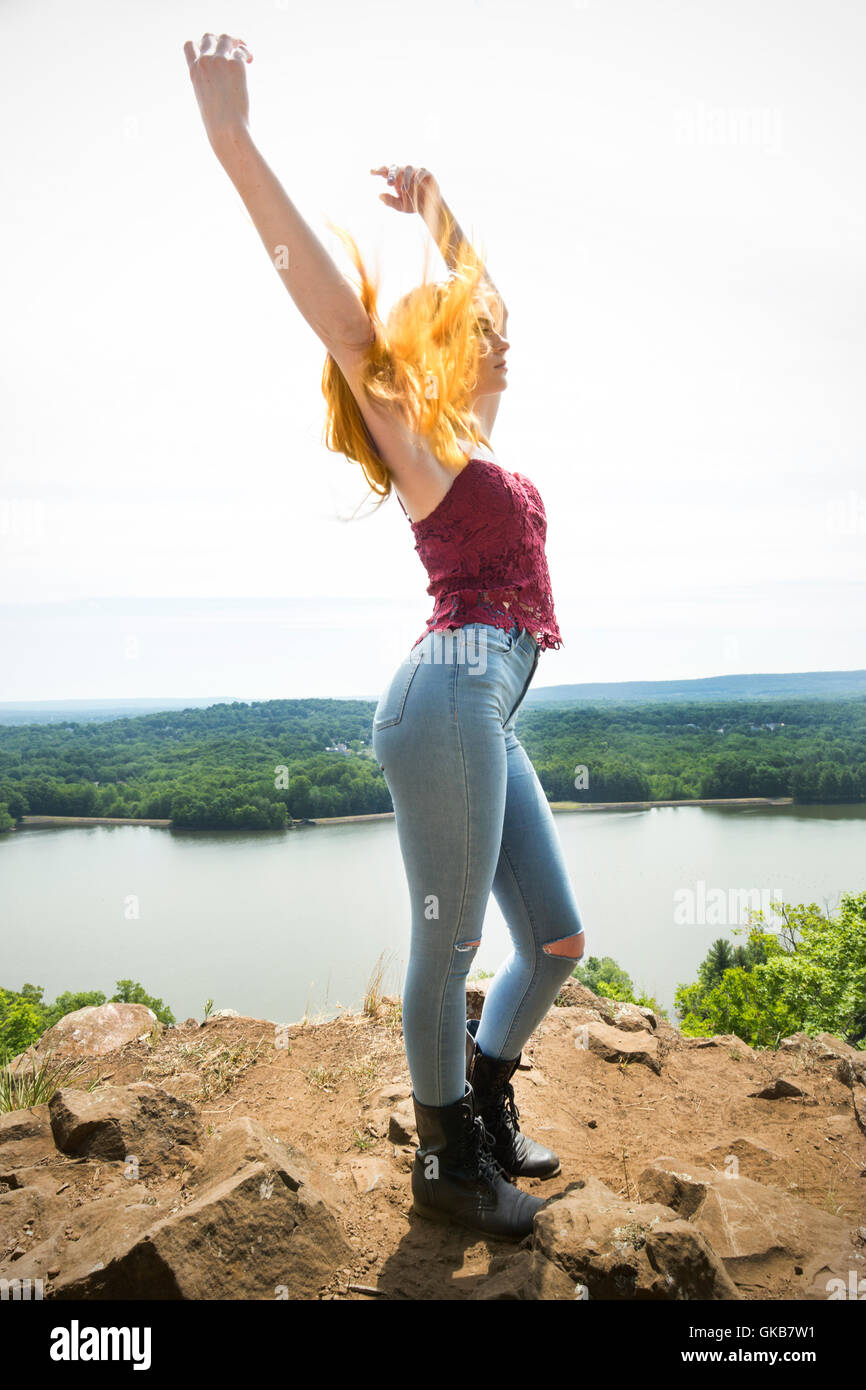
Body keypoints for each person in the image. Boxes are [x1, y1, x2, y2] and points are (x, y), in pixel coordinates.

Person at [184, 31, 587, 1242]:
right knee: (448, 938)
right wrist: (232, 138)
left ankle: (489, 1091)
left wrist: (440, 212)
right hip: (446, 696)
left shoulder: (473, 440)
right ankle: (445, 1164)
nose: (494, 332)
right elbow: (325, 297)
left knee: (557, 940)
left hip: (486, 709)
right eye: (463, 322)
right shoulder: (414, 438)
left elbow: (500, 306)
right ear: (428, 357)